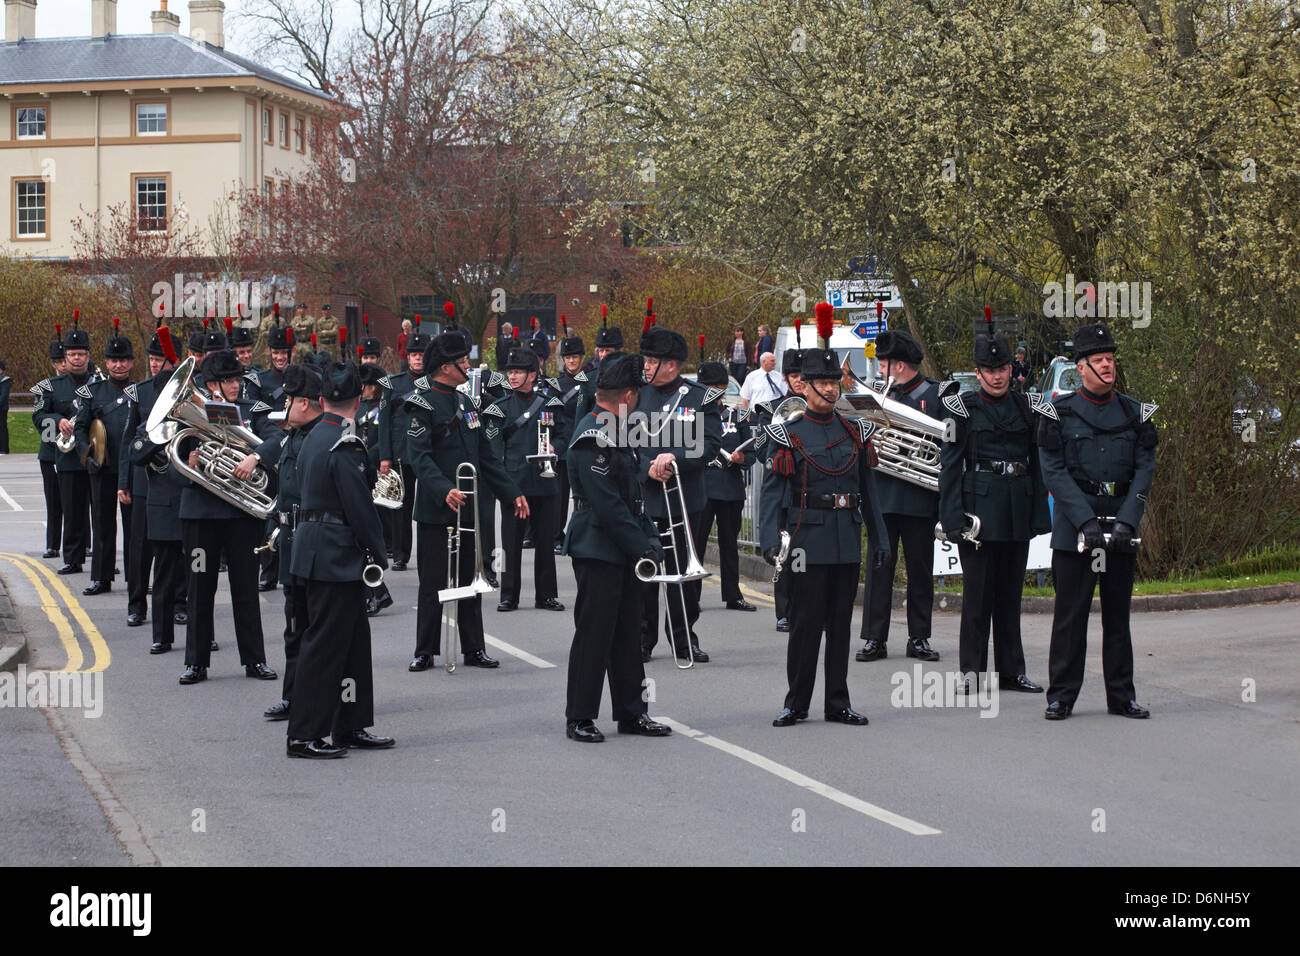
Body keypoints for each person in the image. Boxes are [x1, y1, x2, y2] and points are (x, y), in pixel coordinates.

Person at [759, 342, 889, 727]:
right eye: (822, 382)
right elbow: (771, 494)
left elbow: (870, 491)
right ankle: (796, 702)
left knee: (840, 625)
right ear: (803, 386)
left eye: (834, 382)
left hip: (845, 540)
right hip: (805, 542)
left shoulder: (855, 432)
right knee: (804, 625)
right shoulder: (786, 434)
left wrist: (879, 539)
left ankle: (838, 702)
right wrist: (770, 540)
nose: (831, 389)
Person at [1038, 322, 1157, 720]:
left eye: (1111, 359)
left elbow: (1144, 469)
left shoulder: (1136, 413)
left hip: (1121, 527)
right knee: (1070, 616)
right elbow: (1053, 471)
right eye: (1099, 360)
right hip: (1076, 530)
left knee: (1117, 617)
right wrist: (1085, 521)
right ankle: (1061, 697)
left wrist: (1128, 519)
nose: (1108, 366)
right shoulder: (1059, 413)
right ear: (1081, 367)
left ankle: (1121, 697)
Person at [286, 361, 394, 758]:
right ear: (359, 399)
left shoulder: (314, 435)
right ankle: (304, 735)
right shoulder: (346, 443)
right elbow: (360, 507)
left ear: (320, 400)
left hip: (317, 546)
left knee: (351, 643)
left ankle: (349, 724)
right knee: (326, 645)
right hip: (335, 551)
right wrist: (379, 554)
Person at [937, 321, 1051, 696]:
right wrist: (951, 518)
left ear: (1010, 370)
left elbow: (1036, 464)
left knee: (1010, 595)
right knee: (977, 595)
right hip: (978, 515)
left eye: (1002, 369)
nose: (997, 376)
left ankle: (1011, 671)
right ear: (978, 373)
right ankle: (971, 670)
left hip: (1017, 507)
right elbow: (950, 465)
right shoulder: (961, 409)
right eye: (990, 371)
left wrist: (1039, 515)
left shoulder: (1028, 407)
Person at [562, 353, 671, 742]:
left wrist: (649, 540)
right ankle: (580, 716)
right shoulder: (592, 435)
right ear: (627, 395)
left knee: (628, 632)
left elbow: (631, 495)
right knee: (594, 633)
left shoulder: (617, 429)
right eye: (637, 393)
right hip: (597, 545)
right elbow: (607, 504)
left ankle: (632, 712)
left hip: (621, 545)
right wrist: (642, 545)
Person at [405, 331, 528, 671]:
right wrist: (443, 488)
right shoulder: (421, 402)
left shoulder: (468, 403)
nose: (469, 367)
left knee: (469, 579)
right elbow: (419, 457)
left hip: (468, 507)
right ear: (447, 367)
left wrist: (512, 491)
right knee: (432, 581)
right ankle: (425, 650)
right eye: (463, 362)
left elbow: (487, 457)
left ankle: (474, 648)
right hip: (436, 507)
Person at [176, 349, 279, 685]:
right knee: (199, 587)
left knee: (246, 588)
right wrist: (190, 459)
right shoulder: (189, 414)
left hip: (241, 514)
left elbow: (279, 437)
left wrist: (256, 457)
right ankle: (196, 662)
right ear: (211, 384)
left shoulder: (252, 409)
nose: (236, 385)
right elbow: (165, 450)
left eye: (237, 378)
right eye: (229, 380)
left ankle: (254, 660)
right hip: (201, 512)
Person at [236, 364, 324, 719]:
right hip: (291, 544)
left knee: (314, 630)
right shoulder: (294, 436)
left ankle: (315, 699)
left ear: (304, 402)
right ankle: (293, 697)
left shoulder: (321, 440)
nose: (283, 405)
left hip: (314, 547)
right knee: (293, 629)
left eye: (288, 399)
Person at [635, 324, 722, 664]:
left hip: (685, 497)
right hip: (644, 496)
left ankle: (684, 638)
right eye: (645, 359)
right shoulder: (634, 394)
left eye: (652, 360)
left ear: (671, 364)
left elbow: (712, 445)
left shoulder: (700, 397)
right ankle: (643, 638)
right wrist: (647, 467)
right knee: (644, 571)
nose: (646, 366)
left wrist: (676, 459)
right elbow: (621, 440)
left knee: (685, 574)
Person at [855, 330, 944, 663]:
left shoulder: (932, 395)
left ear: (900, 365)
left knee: (921, 569)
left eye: (883, 364)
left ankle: (918, 637)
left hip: (920, 495)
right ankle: (874, 638)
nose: (880, 370)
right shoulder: (875, 394)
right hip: (882, 496)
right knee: (879, 567)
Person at [488, 348, 569, 613]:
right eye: (510, 372)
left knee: (546, 542)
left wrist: (555, 447)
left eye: (518, 372)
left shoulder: (549, 404)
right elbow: (493, 450)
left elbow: (564, 435)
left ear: (532, 374)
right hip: (515, 484)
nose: (511, 376)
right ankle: (508, 595)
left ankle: (546, 595)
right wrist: (505, 488)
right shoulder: (501, 408)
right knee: (511, 544)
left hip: (545, 482)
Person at [126, 326, 183, 653]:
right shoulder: (143, 392)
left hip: (191, 496)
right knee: (154, 561)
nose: (155, 363)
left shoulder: (195, 398)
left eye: (161, 358)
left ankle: (195, 623)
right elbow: (131, 447)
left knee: (193, 572)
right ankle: (156, 628)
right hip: (158, 494)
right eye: (152, 358)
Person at [76, 321, 136, 597]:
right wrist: (85, 455)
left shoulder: (140, 392)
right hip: (102, 467)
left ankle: (137, 577)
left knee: (135, 529)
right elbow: (80, 428)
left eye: (123, 360)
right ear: (106, 362)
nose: (119, 365)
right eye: (113, 360)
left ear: (132, 362)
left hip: (132, 470)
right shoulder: (92, 392)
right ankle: (101, 577)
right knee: (102, 524)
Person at [32, 320, 97, 575]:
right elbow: (38, 417)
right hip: (68, 457)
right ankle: (72, 558)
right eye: (71, 355)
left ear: (88, 355)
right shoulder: (50, 386)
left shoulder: (99, 383)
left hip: (96, 454)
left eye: (81, 354)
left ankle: (102, 559)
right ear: (65, 357)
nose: (76, 359)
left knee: (100, 512)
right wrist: (56, 421)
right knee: (71, 509)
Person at [752, 346, 805, 631]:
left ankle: (808, 609)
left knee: (808, 557)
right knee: (786, 555)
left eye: (802, 376)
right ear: (785, 378)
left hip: (809, 493)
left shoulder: (817, 408)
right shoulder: (770, 409)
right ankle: (784, 611)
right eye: (793, 376)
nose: (798, 381)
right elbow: (761, 451)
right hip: (784, 493)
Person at [697, 361, 757, 612]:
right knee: (696, 545)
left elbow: (752, 452)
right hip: (701, 487)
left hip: (730, 486)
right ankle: (692, 596)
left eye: (715, 387)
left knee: (729, 545)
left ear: (722, 389)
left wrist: (742, 458)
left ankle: (733, 595)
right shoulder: (691, 417)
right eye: (706, 387)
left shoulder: (737, 415)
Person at [377, 318, 430, 571]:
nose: (418, 359)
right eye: (414, 355)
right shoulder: (392, 384)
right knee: (401, 507)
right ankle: (400, 554)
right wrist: (385, 457)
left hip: (429, 454)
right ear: (407, 357)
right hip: (400, 454)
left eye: (421, 355)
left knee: (430, 505)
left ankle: (429, 552)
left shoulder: (436, 384)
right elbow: (384, 423)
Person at [355, 363, 395, 616]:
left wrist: (375, 457)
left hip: (374, 471)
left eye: (369, 386)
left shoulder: (383, 407)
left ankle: (377, 591)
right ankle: (378, 592)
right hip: (359, 471)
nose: (365, 390)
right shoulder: (357, 408)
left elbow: (387, 438)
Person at [550, 329, 588, 553]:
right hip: (563, 445)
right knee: (560, 496)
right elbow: (552, 416)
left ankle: (581, 534)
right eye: (568, 357)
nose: (572, 361)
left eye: (575, 357)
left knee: (584, 494)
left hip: (584, 444)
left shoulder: (590, 381)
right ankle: (557, 535)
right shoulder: (555, 385)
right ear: (563, 360)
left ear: (581, 358)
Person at [35, 338, 67, 558]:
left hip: (77, 450)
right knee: (54, 501)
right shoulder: (45, 387)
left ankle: (84, 543)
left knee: (80, 502)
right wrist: (57, 421)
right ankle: (53, 544)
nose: (62, 365)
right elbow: (38, 416)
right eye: (58, 361)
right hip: (51, 452)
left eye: (63, 360)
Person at [0, 359, 10, 454]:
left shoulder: (4, 380)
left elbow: (3, 396)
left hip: (1, 409)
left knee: (2, 428)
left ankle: (4, 449)